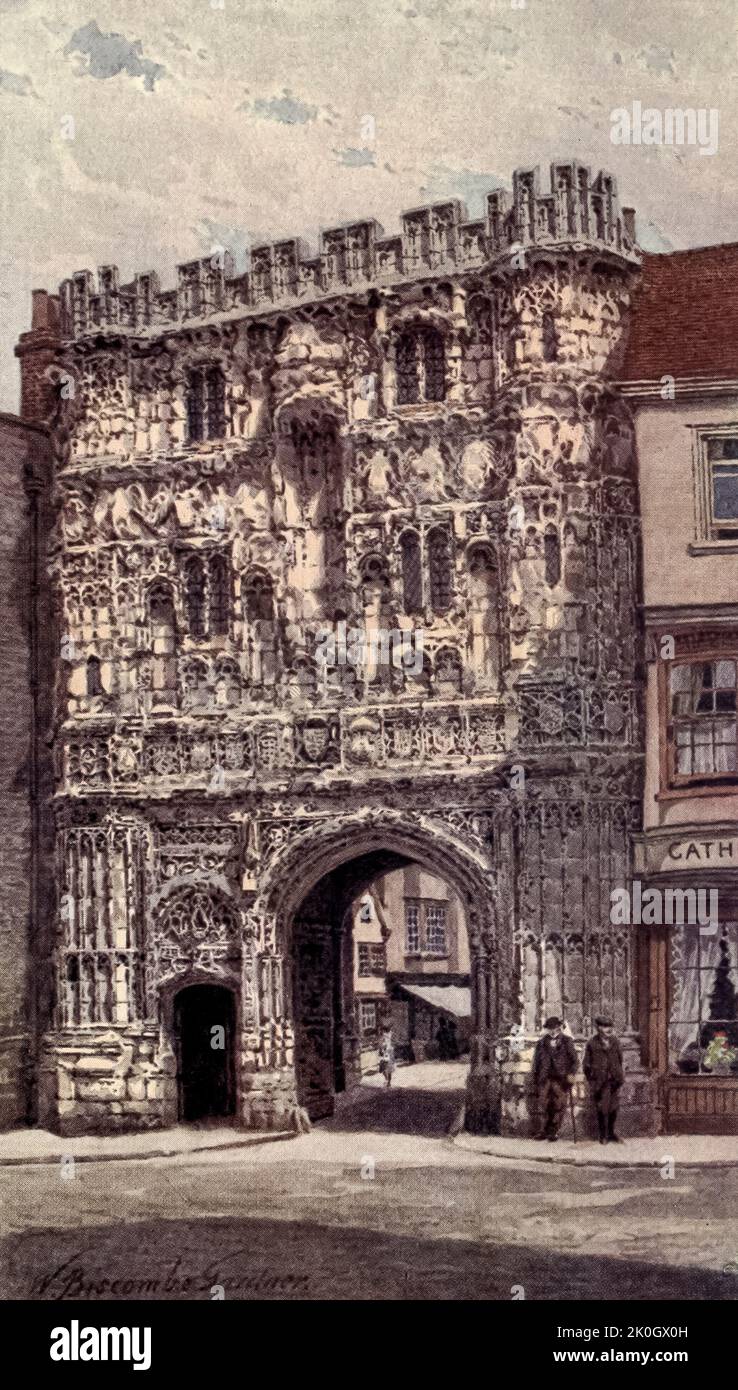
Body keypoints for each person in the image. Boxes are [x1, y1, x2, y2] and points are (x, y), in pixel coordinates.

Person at [531, 1016, 578, 1142]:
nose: (553, 1031)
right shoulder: (541, 1043)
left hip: (560, 1079)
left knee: (559, 1105)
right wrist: (535, 1077)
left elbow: (574, 1061)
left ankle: (554, 1131)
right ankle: (543, 1131)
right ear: (547, 1029)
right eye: (550, 1028)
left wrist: (571, 1074)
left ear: (559, 1028)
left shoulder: (567, 1041)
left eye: (555, 1028)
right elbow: (536, 1062)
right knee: (543, 1105)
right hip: (544, 1079)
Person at [583, 1016, 624, 1144]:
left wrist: (617, 1073)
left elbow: (620, 1058)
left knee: (613, 1108)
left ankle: (611, 1133)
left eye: (610, 1027)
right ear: (599, 1028)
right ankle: (603, 1135)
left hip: (614, 1081)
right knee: (602, 1108)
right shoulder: (592, 1043)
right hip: (601, 1082)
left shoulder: (615, 1041)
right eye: (605, 1027)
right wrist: (593, 1079)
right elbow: (586, 1064)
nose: (609, 1029)